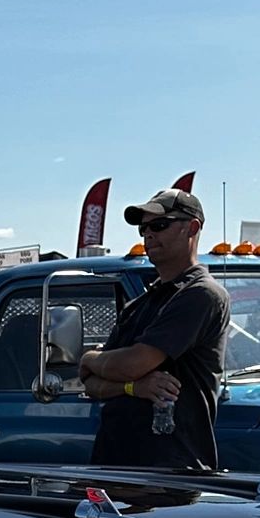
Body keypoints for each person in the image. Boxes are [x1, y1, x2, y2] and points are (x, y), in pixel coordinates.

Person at [79, 189, 229, 469]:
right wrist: (133, 387)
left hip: (169, 472)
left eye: (159, 225)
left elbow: (132, 363)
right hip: (115, 466)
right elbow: (91, 384)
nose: (149, 234)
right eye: (143, 228)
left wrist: (89, 358)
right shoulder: (140, 305)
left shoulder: (201, 294)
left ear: (192, 228)